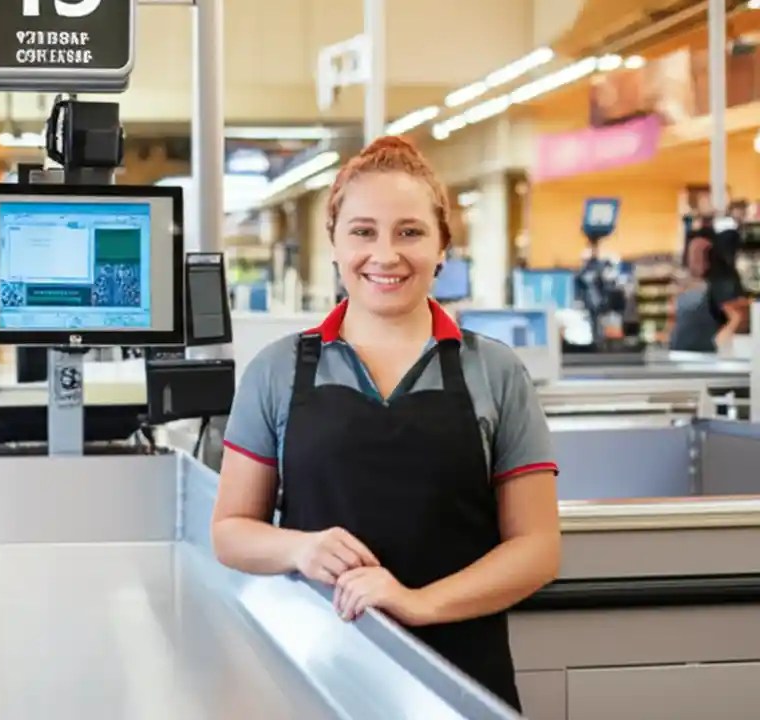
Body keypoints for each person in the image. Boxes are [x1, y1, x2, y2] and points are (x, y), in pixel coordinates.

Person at [211, 136, 560, 711]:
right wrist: (300, 548)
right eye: (363, 231)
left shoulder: (495, 372)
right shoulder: (277, 371)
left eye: (410, 232)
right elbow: (230, 531)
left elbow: (538, 547)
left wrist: (416, 603)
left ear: (443, 245)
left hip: (460, 677)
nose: (385, 254)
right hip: (318, 672)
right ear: (334, 243)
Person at [669, 235, 748, 353]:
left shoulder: (721, 283)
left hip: (707, 357)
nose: (694, 260)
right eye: (692, 254)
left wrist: (723, 336)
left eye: (698, 254)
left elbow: (737, 314)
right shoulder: (687, 282)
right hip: (680, 354)